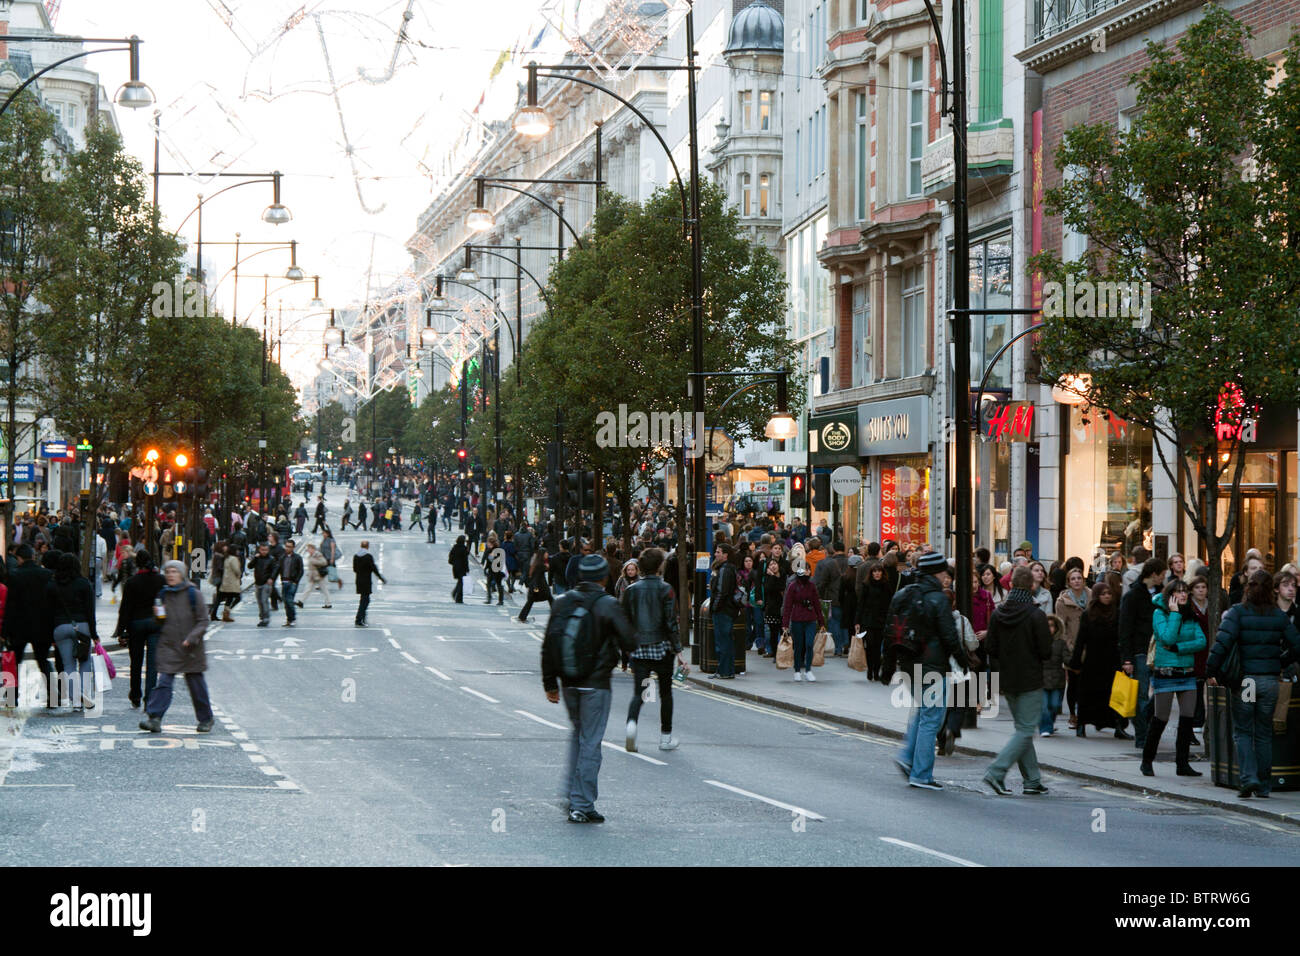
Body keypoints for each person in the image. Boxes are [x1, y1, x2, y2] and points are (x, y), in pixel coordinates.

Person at [540, 553, 636, 823]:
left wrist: (550, 683)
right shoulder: (607, 604)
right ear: (604, 577)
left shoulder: (562, 602)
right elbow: (629, 640)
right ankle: (581, 803)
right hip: (596, 684)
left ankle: (573, 794)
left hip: (569, 682)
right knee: (591, 742)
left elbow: (549, 643)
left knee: (578, 735)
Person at [1206, 569, 1300, 798]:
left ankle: (1249, 779)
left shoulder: (1238, 613)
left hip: (1247, 682)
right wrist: (1280, 661)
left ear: (1248, 588)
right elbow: (1297, 645)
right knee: (1264, 733)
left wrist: (1210, 670)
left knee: (1244, 731)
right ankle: (1265, 785)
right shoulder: (1278, 615)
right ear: (1272, 590)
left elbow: (1222, 644)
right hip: (1270, 681)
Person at [892, 552, 967, 791]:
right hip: (932, 667)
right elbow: (949, 634)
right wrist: (962, 659)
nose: (947, 575)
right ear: (936, 572)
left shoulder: (906, 593)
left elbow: (890, 627)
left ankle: (907, 757)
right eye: (944, 571)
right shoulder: (937, 599)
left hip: (909, 664)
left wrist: (887, 664)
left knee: (923, 712)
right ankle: (921, 774)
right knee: (931, 718)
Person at [982, 566, 1052, 796]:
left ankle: (1032, 780)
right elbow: (1046, 651)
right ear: (1032, 586)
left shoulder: (998, 613)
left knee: (1023, 728)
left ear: (1010, 585)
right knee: (1025, 730)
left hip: (1008, 679)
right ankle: (996, 771)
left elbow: (990, 647)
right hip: (1030, 678)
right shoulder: (1036, 614)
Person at [1142, 578, 1207, 777]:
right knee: (1160, 718)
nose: (1183, 595)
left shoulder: (1191, 615)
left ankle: (1182, 764)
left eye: (1185, 591)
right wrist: (1176, 614)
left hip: (1187, 672)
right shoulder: (1159, 613)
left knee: (1187, 719)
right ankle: (1147, 760)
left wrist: (1179, 648)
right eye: (1178, 592)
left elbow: (1201, 641)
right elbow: (1167, 637)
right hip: (1165, 672)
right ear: (1170, 595)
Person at [139, 560, 213, 734]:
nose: (170, 575)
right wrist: (158, 616)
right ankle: (154, 718)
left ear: (182, 573)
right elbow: (160, 621)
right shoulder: (163, 594)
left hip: (190, 648)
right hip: (169, 646)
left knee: (196, 686)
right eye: (168, 572)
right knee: (164, 682)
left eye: (174, 571)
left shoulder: (193, 594)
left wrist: (192, 638)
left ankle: (206, 718)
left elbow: (203, 621)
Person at [621, 547, 682, 753]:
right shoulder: (666, 589)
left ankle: (631, 726)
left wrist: (628, 648)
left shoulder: (631, 590)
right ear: (659, 566)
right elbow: (670, 622)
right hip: (662, 649)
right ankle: (665, 738)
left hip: (639, 650)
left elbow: (625, 622)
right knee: (665, 694)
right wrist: (679, 650)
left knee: (640, 692)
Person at [1119, 557, 1166, 748]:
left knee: (1161, 692)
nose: (1164, 578)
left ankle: (1145, 728)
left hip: (1159, 650)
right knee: (1141, 695)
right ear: (1153, 575)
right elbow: (1125, 628)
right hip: (1140, 651)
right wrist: (1126, 658)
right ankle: (1142, 734)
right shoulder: (1133, 596)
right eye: (1162, 574)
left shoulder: (1161, 595)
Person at [1069, 582, 1124, 737]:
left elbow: (1122, 636)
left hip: (1112, 659)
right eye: (1103, 594)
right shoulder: (1089, 614)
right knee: (1087, 693)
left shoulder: (1116, 613)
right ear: (1097, 596)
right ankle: (1081, 724)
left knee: (1113, 694)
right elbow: (1081, 639)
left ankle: (1117, 726)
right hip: (1093, 660)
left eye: (1109, 594)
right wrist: (1076, 661)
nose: (1107, 596)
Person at [3, 544, 55, 707]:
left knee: (12, 661)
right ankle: (53, 696)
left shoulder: (14, 575)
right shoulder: (47, 574)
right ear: (33, 556)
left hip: (19, 626)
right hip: (42, 625)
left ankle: (12, 697)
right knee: (43, 660)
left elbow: (10, 606)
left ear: (19, 558)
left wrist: (5, 630)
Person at [47, 552, 98, 712]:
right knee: (84, 662)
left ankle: (76, 698)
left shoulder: (52, 585)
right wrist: (94, 634)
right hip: (82, 626)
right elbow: (90, 611)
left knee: (68, 665)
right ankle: (83, 695)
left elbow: (48, 613)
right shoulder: (84, 584)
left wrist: (50, 635)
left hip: (60, 627)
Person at [115, 552, 165, 709]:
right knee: (152, 664)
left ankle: (135, 694)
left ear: (137, 564)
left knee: (136, 661)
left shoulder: (132, 582)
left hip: (136, 624)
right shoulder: (160, 580)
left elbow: (125, 608)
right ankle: (150, 698)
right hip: (155, 623)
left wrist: (121, 630)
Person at [1055, 567, 1091, 729]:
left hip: (1091, 645)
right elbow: (1060, 626)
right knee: (1074, 683)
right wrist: (1067, 644)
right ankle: (1073, 715)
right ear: (1068, 582)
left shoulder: (1092, 595)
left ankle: (1086, 713)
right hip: (1073, 647)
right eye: (1073, 579)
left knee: (1088, 683)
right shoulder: (1062, 601)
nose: (1077, 581)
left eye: (1079, 578)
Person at [781, 558, 825, 681]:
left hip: (810, 619)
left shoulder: (812, 586)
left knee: (810, 644)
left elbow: (817, 604)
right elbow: (788, 606)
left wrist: (821, 622)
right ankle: (797, 671)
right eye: (803, 569)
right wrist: (785, 623)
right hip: (797, 619)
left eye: (807, 569)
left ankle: (808, 670)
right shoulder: (792, 586)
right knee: (799, 646)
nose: (805, 571)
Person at [708, 544, 741, 679]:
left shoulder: (725, 570)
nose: (716, 554)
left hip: (723, 610)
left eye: (718, 552)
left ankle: (725, 671)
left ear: (725, 555)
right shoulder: (729, 568)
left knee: (723, 642)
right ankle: (725, 670)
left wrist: (715, 608)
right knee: (725, 641)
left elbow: (722, 592)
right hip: (728, 609)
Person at [858, 561, 892, 681]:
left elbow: (889, 604)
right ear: (871, 573)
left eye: (879, 571)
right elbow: (861, 604)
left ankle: (876, 671)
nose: (877, 574)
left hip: (881, 621)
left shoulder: (886, 586)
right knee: (869, 645)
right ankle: (870, 668)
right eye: (875, 572)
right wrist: (858, 621)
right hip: (868, 620)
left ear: (882, 573)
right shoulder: (866, 585)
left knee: (877, 647)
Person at [1039, 614, 1069, 737]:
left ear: (1056, 628)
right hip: (1041, 678)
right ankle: (1045, 727)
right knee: (1044, 706)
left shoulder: (1061, 643)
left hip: (1057, 679)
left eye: (1051, 626)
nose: (1049, 628)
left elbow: (1067, 658)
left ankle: (1048, 723)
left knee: (1055, 705)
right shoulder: (1038, 642)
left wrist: (1073, 662)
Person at [353, 540, 385, 626]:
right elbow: (374, 569)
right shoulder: (368, 556)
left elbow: (354, 569)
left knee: (363, 599)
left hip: (358, 580)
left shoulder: (356, 556)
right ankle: (359, 619)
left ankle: (362, 617)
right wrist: (381, 578)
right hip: (366, 581)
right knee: (365, 600)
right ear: (367, 546)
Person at [761, 558, 786, 661]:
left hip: (783, 607)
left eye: (775, 563)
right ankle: (775, 654)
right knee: (773, 633)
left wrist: (776, 580)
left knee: (784, 632)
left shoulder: (783, 575)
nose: (773, 566)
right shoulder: (768, 578)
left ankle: (784, 653)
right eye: (770, 565)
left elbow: (782, 587)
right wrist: (772, 576)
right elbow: (769, 589)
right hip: (772, 609)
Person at [518, 551, 552, 623]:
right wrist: (536, 589)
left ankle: (522, 616)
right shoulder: (540, 565)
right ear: (542, 554)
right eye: (546, 553)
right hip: (539, 588)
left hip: (538, 587)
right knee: (549, 599)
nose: (547, 554)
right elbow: (536, 578)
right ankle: (557, 614)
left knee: (531, 601)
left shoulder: (537, 563)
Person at [251, 542, 278, 628]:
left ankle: (266, 618)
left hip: (266, 583)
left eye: (266, 550)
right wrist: (255, 558)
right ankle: (262, 617)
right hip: (258, 583)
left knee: (264, 600)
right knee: (259, 602)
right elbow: (249, 566)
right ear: (259, 550)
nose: (264, 551)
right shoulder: (257, 559)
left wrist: (271, 578)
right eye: (262, 550)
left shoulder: (271, 559)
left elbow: (275, 569)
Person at [279, 539, 304, 627]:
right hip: (284, 581)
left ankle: (292, 618)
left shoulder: (297, 558)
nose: (287, 548)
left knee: (289, 600)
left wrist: (295, 581)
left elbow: (301, 571)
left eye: (289, 547)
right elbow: (278, 568)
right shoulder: (282, 557)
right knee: (285, 602)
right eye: (286, 546)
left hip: (292, 582)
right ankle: (289, 619)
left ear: (293, 547)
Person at [300, 543, 333, 609]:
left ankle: (328, 603)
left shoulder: (317, 554)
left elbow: (324, 562)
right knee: (308, 589)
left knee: (324, 589)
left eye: (309, 549)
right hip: (313, 576)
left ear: (312, 548)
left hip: (319, 576)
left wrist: (313, 561)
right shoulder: (311, 555)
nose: (308, 550)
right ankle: (301, 601)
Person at [448, 535, 469, 604]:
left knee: (460, 582)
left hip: (455, 567)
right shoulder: (464, 549)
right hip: (462, 568)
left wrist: (454, 563)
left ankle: (455, 594)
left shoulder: (454, 548)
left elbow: (450, 559)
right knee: (461, 583)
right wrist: (467, 569)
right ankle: (458, 598)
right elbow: (465, 560)